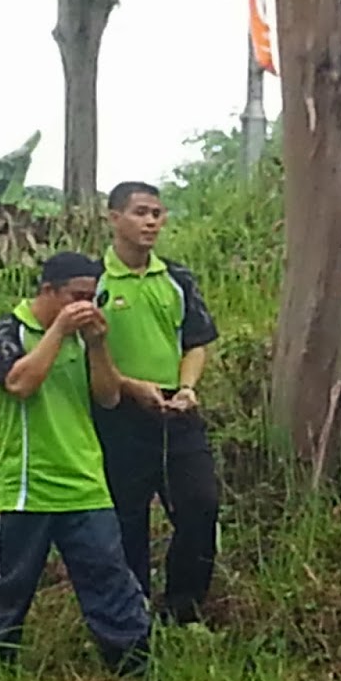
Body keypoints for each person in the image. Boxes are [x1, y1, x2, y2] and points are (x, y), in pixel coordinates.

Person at [0, 251, 150, 676]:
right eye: (76, 296)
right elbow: (20, 382)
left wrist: (98, 344)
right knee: (10, 585)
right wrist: (58, 330)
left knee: (109, 578)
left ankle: (134, 665)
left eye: (93, 296)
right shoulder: (8, 329)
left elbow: (107, 396)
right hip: (26, 487)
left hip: (85, 482)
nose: (85, 305)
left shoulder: (84, 337)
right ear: (48, 291)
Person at [93, 181, 221, 625]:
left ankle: (184, 609)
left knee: (201, 505)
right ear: (113, 218)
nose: (151, 222)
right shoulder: (94, 283)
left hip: (176, 410)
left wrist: (186, 388)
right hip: (119, 413)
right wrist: (131, 386)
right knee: (126, 519)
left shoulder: (177, 278)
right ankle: (133, 613)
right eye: (140, 212)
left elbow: (197, 341)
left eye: (157, 213)